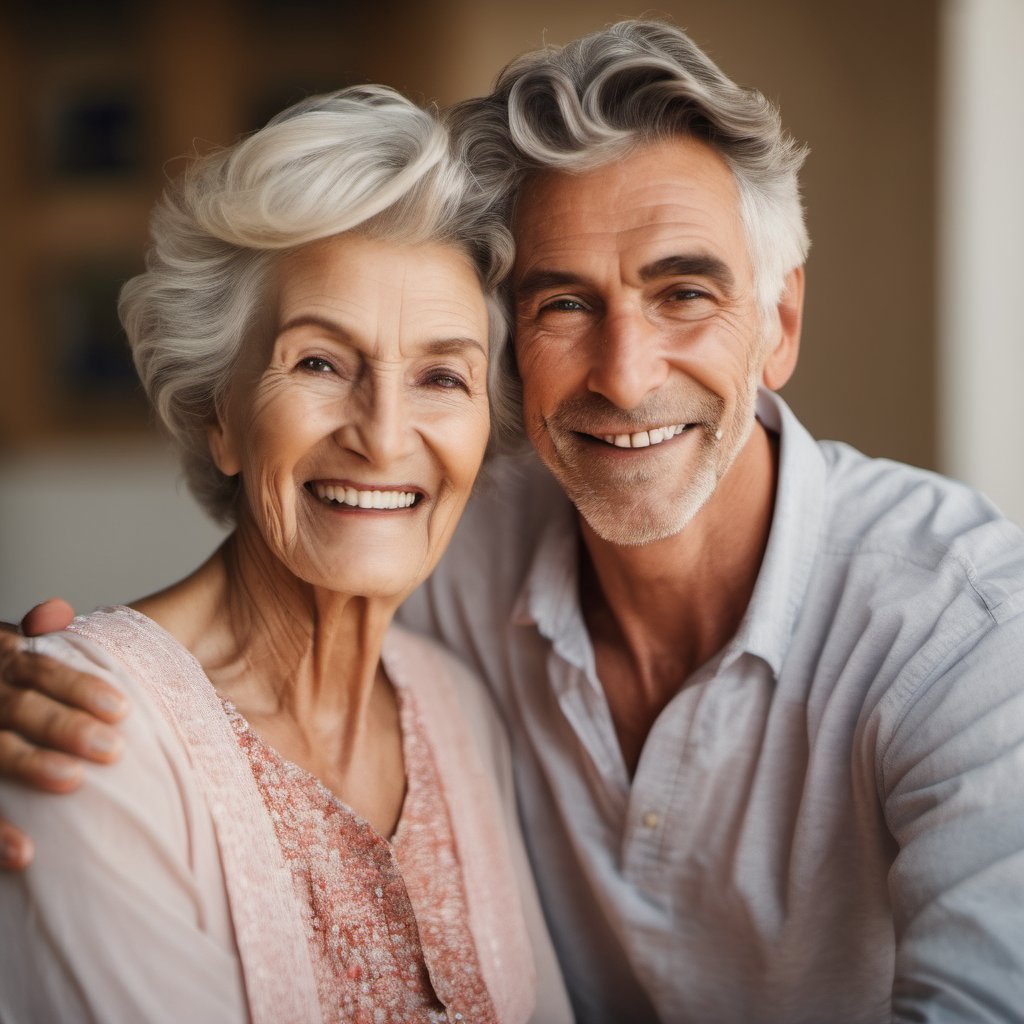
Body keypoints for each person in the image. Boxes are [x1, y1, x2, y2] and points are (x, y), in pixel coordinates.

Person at [4, 18, 1024, 1024]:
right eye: (564, 304)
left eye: (682, 294)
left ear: (779, 324)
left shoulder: (968, 628)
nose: (624, 378)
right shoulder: (429, 556)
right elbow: (233, 630)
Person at [0, 84, 572, 1024]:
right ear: (220, 413)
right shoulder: (83, 728)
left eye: (441, 376)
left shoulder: (460, 709)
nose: (385, 438)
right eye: (318, 362)